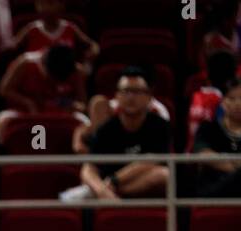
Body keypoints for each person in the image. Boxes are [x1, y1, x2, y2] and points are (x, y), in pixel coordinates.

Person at [66, 68, 171, 202]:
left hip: (135, 181)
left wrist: (115, 180)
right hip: (107, 189)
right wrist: (102, 190)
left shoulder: (160, 126)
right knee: (87, 170)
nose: (130, 97)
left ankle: (103, 194)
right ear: (117, 96)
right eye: (125, 91)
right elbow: (90, 167)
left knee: (163, 175)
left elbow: (153, 159)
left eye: (137, 92)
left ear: (149, 97)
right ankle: (105, 195)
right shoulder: (106, 129)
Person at [192, 78, 241, 203]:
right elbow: (203, 155)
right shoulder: (208, 128)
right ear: (223, 103)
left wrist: (223, 158)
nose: (238, 104)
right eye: (231, 98)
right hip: (212, 189)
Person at [0, 44, 86, 145]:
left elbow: (82, 103)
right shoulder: (25, 63)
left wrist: (71, 105)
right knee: (2, 121)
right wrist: (28, 102)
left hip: (59, 115)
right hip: (24, 113)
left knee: (84, 121)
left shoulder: (76, 71)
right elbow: (4, 90)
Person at [10, 0, 96, 64]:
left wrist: (91, 55)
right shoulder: (31, 29)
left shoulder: (70, 28)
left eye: (51, 3)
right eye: (42, 3)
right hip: (36, 81)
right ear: (37, 6)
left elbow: (92, 45)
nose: (47, 8)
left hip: (65, 80)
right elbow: (11, 49)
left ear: (61, 5)